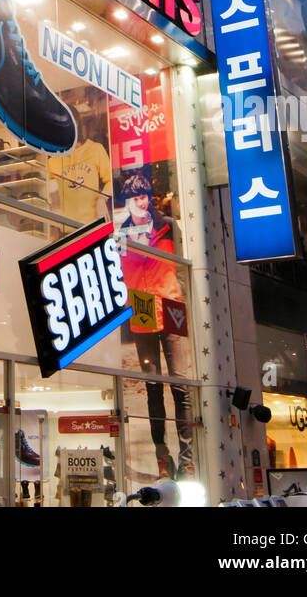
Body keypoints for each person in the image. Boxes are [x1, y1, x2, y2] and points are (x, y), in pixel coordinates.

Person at [119, 172, 195, 480]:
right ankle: (162, 457)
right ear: (127, 202)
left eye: (143, 196)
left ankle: (187, 459)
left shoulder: (167, 226)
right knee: (152, 387)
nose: (139, 201)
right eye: (134, 197)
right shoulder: (121, 234)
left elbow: (186, 263)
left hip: (171, 301)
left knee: (182, 384)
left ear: (149, 197)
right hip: (142, 306)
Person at [48, 107, 111, 222]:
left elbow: (110, 179)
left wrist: (102, 199)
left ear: (76, 123)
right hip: (67, 227)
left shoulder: (95, 149)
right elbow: (51, 193)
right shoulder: (53, 160)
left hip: (93, 222)